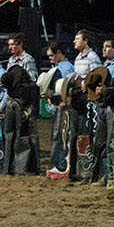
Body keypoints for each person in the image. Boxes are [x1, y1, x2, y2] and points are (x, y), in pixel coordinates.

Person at [41, 43, 76, 180]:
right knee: (58, 136)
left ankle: (60, 166)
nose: (50, 58)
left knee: (61, 136)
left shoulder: (65, 68)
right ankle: (57, 164)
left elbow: (65, 88)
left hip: (63, 106)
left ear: (59, 53)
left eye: (51, 55)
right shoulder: (60, 67)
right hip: (60, 105)